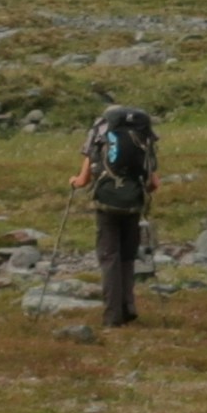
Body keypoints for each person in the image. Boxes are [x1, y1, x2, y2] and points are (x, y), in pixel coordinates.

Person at [72, 100, 158, 328]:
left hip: (107, 204)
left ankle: (112, 317)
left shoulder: (100, 132)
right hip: (133, 203)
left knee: (109, 258)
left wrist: (75, 181)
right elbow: (153, 183)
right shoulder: (143, 135)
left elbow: (83, 180)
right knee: (128, 257)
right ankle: (128, 308)